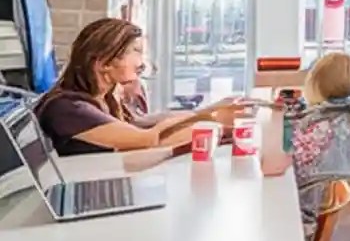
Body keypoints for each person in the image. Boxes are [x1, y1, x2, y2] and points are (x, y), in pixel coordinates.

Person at [34, 18, 242, 155]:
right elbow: (148, 139)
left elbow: (143, 123)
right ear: (104, 62)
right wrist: (223, 127)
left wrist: (210, 111)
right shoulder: (68, 109)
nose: (141, 63)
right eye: (136, 51)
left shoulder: (104, 98)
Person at [263, 51, 350, 241]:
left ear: (316, 83)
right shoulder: (348, 114)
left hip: (294, 226)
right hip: (304, 215)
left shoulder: (325, 124)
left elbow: (281, 165)